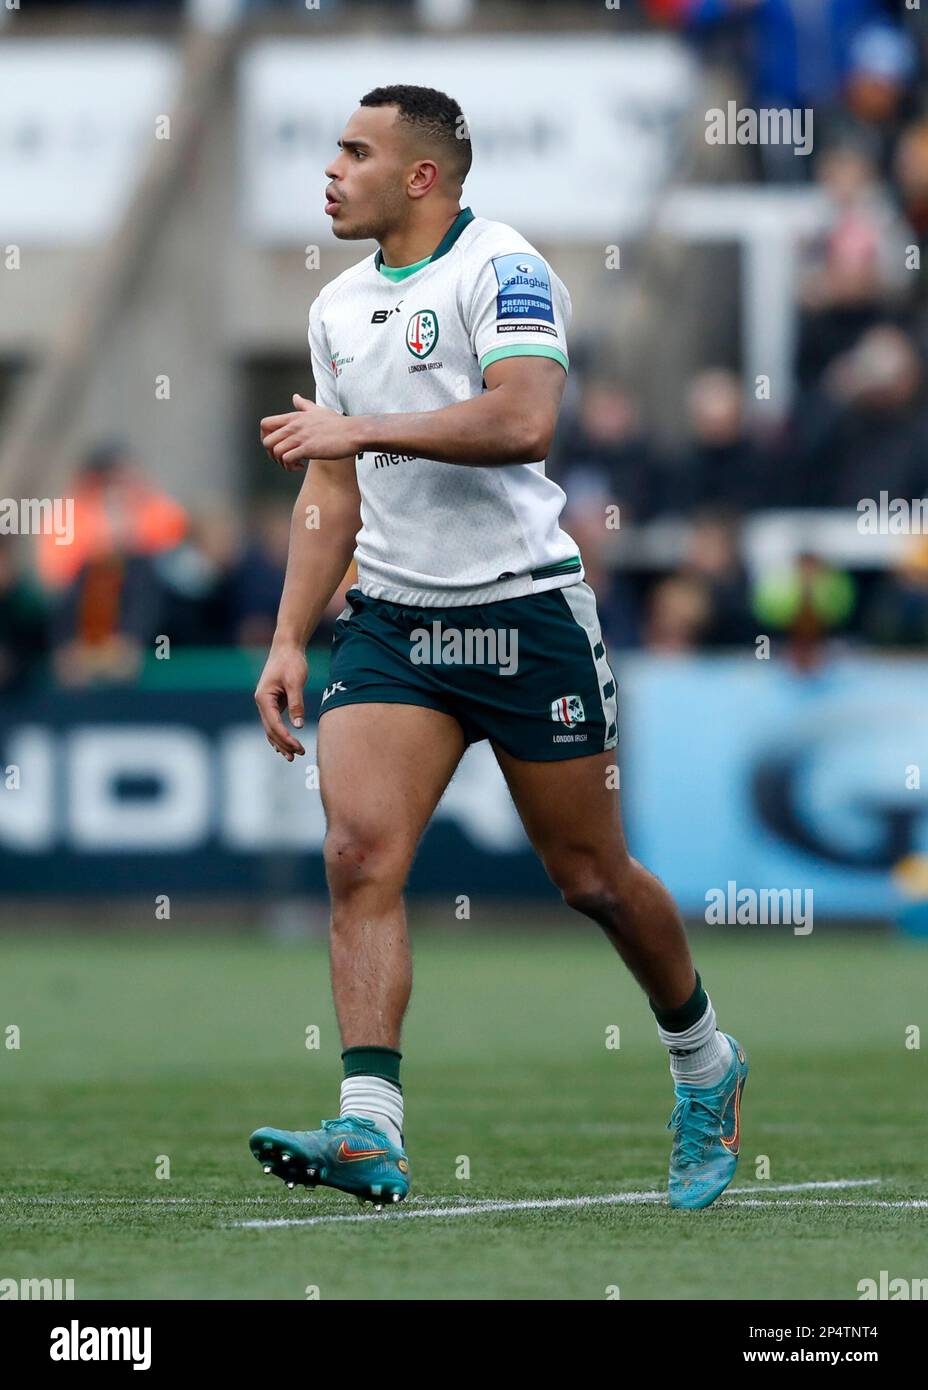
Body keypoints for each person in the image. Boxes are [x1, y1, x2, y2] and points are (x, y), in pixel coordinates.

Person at [249, 85, 747, 1212]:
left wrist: (357, 429)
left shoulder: (503, 267)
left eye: (356, 151)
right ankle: (369, 1126)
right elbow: (331, 487)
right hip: (394, 623)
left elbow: (523, 419)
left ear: (421, 177)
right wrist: (288, 633)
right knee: (357, 854)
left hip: (523, 615)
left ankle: (704, 1062)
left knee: (592, 880)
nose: (331, 170)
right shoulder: (336, 310)